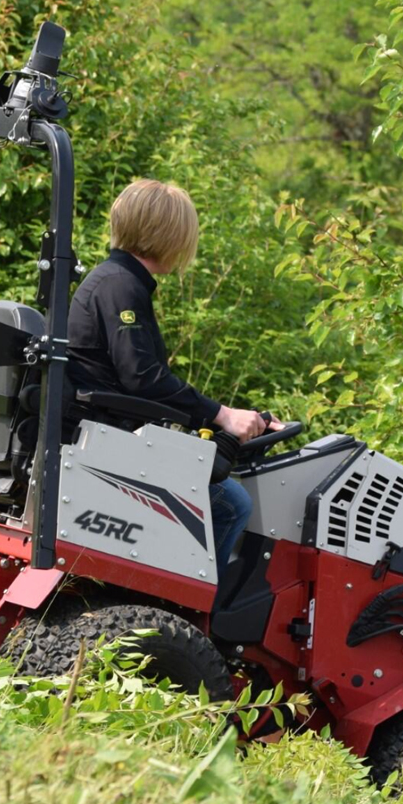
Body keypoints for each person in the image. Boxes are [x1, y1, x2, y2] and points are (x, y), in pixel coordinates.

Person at [66, 178, 281, 584]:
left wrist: (228, 419)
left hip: (103, 431)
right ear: (168, 235)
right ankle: (186, 611)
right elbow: (143, 377)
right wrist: (222, 416)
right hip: (104, 440)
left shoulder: (112, 280)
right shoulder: (121, 286)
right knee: (230, 503)